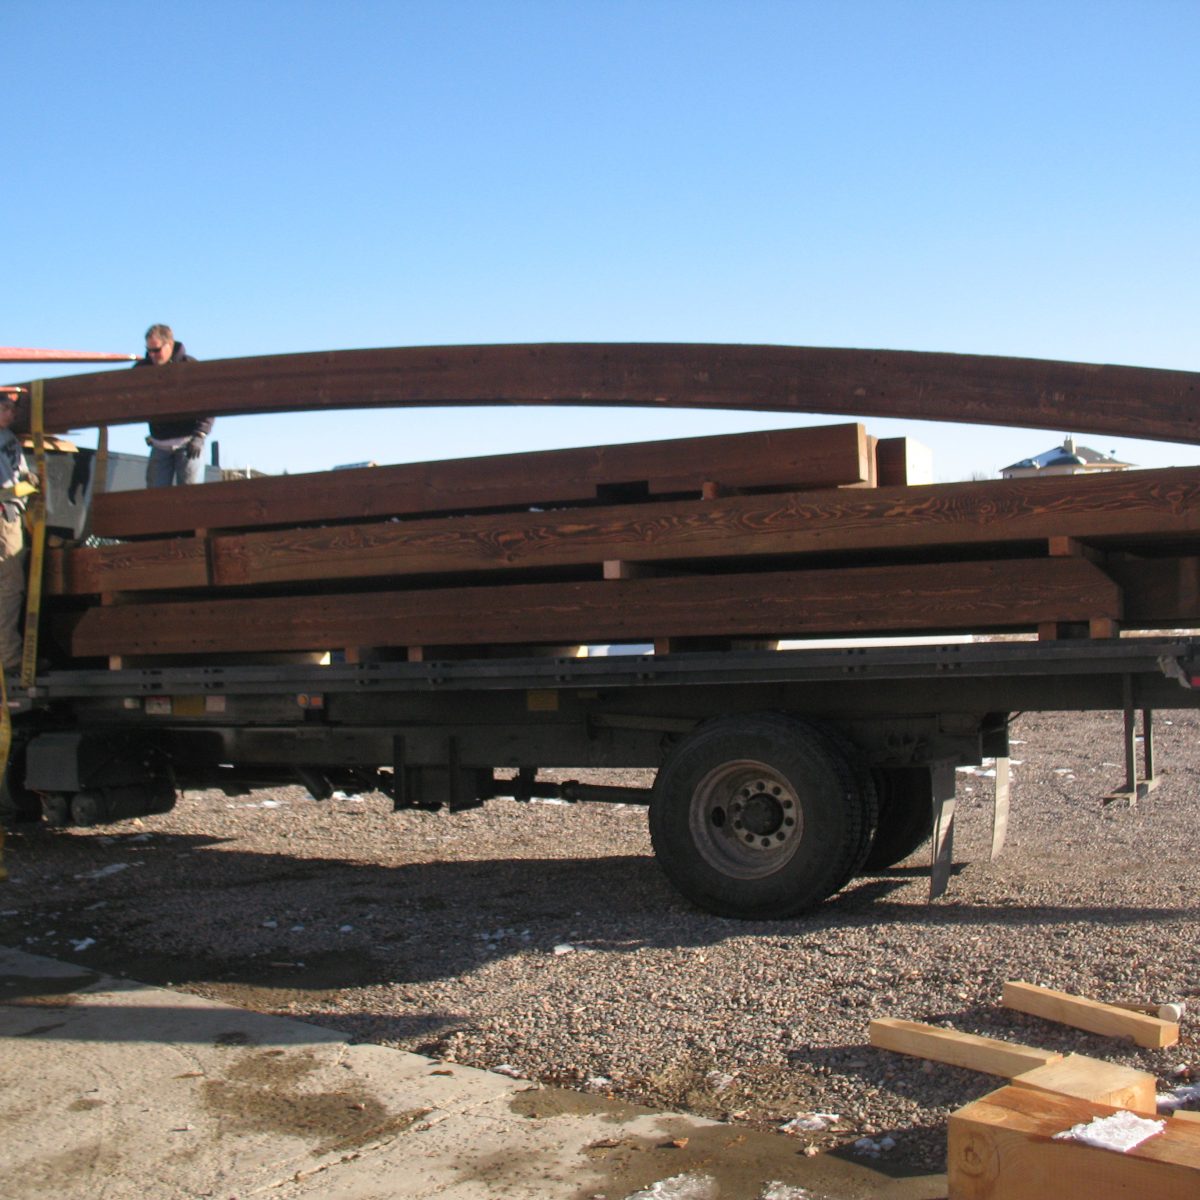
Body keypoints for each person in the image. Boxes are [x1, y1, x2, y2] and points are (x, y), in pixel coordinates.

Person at [134, 323, 213, 486]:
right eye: (148, 350)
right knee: (156, 498)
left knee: (191, 498)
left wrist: (200, 435)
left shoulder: (190, 367)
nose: (152, 355)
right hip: (159, 443)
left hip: (188, 443)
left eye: (156, 350)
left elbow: (209, 401)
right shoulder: (142, 370)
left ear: (169, 344)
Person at [0, 387, 36, 671]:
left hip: (12, 513)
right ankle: (8, 658)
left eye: (13, 408)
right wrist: (26, 487)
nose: (11, 413)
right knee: (10, 586)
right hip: (4, 515)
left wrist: (29, 478)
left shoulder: (9, 439)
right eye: (5, 408)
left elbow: (21, 471)